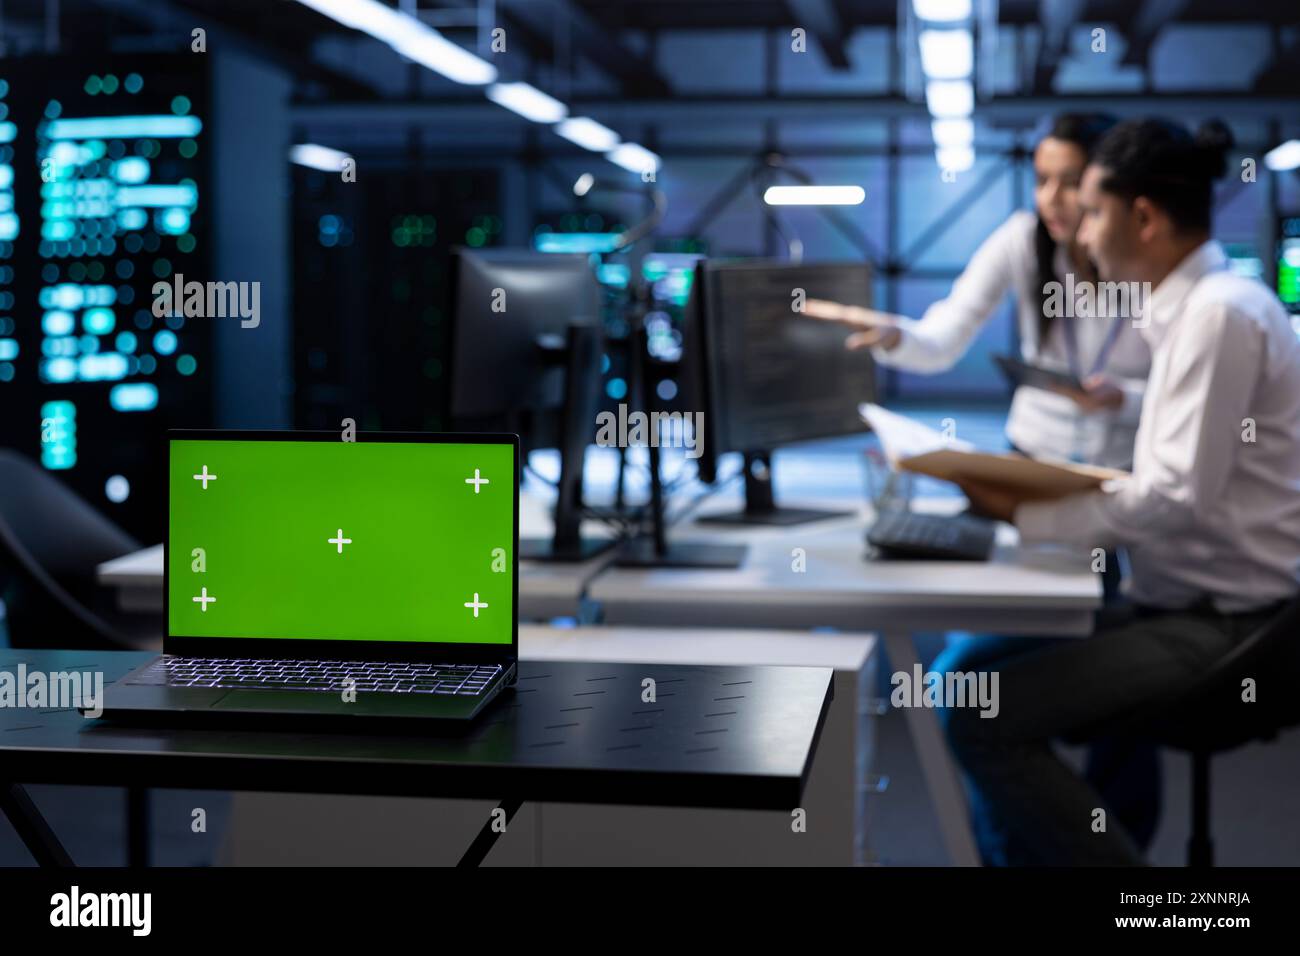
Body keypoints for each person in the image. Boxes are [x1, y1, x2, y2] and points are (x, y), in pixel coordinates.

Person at [940, 117, 1300, 865]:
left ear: (1143, 216)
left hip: (1226, 626)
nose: (1082, 229)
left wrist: (1027, 514)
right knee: (962, 673)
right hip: (1176, 599)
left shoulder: (1218, 316)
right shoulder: (1196, 309)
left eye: (1095, 210)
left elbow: (1172, 498)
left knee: (982, 717)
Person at [805, 113, 1148, 472]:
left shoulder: (1146, 260)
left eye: (1071, 183)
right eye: (1042, 180)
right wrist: (896, 336)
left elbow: (1187, 390)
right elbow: (947, 332)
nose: (1051, 198)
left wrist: (1125, 397)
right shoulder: (1023, 240)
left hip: (1123, 459)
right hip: (1035, 451)